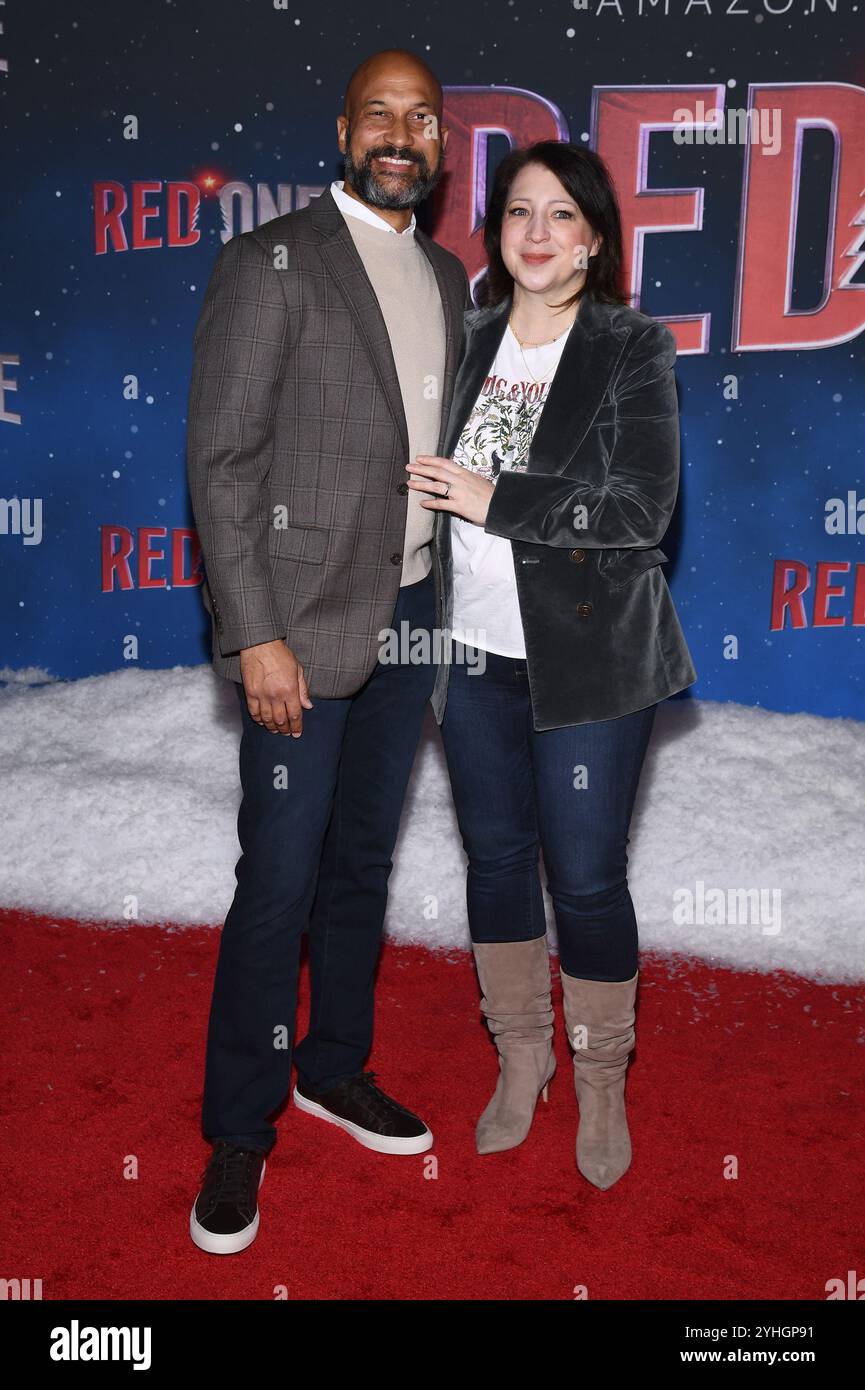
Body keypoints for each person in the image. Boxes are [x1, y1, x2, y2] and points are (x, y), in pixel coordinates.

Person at [185, 49, 472, 1254]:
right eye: (379, 116)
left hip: (410, 619)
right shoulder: (273, 262)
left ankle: (332, 1066)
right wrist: (255, 634)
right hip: (298, 638)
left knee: (361, 866)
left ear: (443, 146)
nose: (399, 136)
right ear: (344, 130)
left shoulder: (452, 277)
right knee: (279, 885)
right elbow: (222, 463)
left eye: (421, 119)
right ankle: (239, 1128)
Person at [408, 141, 698, 1191]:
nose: (537, 233)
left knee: (582, 879)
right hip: (471, 655)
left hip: (589, 663)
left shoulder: (631, 346)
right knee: (494, 861)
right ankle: (520, 1052)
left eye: (561, 215)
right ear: (495, 232)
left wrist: (499, 499)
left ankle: (601, 1071)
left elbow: (639, 511)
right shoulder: (466, 338)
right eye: (519, 212)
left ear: (594, 238)